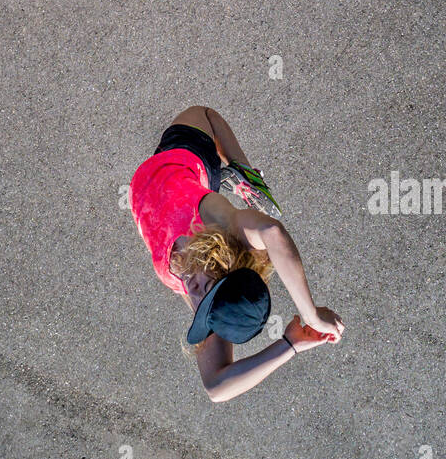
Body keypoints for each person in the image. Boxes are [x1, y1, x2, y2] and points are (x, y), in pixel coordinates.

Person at [128, 105, 344, 402]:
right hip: (181, 161)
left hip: (146, 193)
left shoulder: (210, 307)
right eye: (207, 284)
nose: (192, 289)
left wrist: (290, 344)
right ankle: (243, 171)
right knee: (205, 116)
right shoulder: (220, 224)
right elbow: (272, 233)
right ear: (224, 265)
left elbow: (216, 388)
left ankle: (235, 175)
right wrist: (311, 314)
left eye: (201, 301)